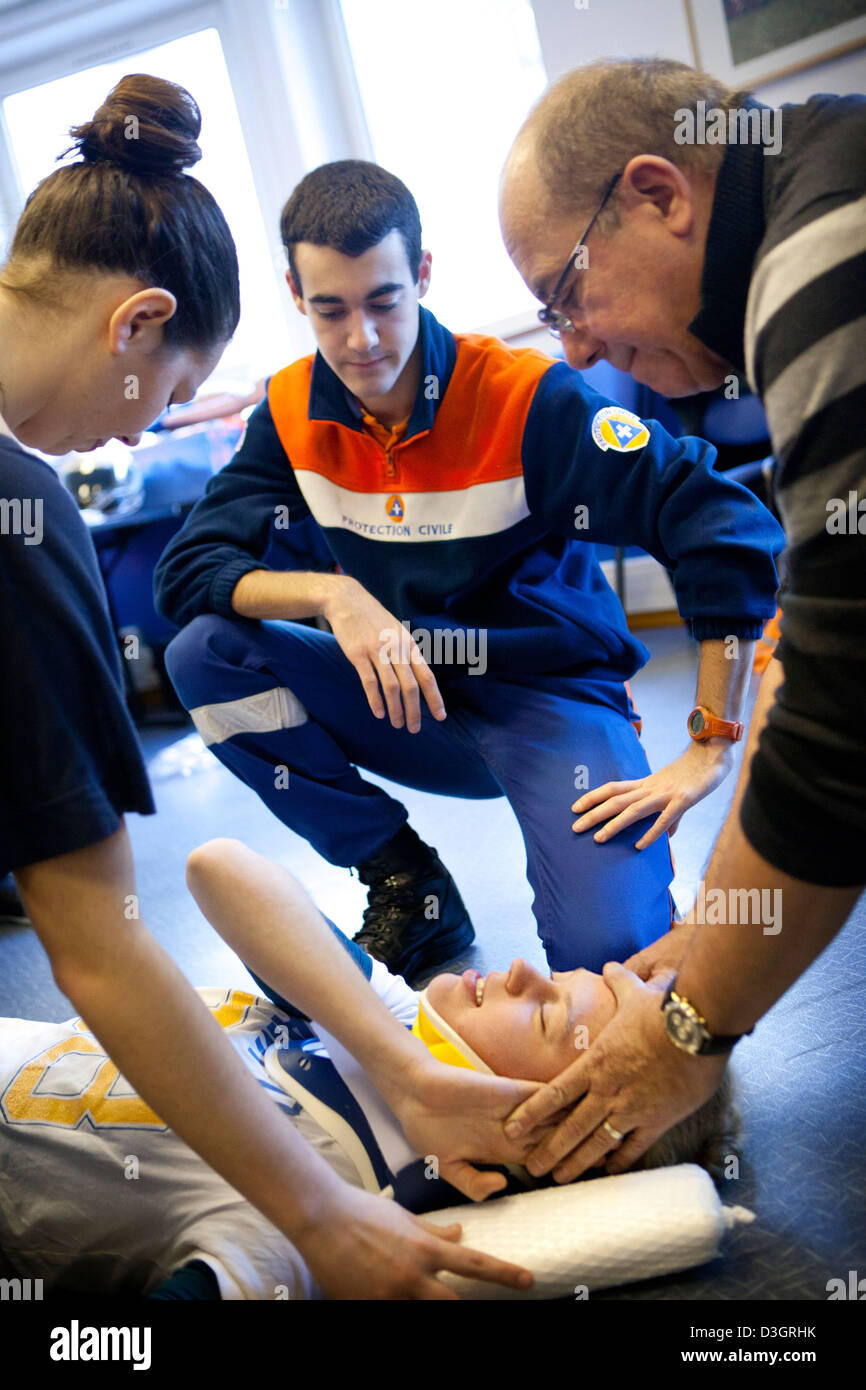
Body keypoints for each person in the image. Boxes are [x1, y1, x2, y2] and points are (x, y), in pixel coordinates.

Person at [0, 73, 538, 1301]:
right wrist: (316, 1215)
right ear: (136, 321)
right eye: (172, 393)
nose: (143, 435)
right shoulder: (22, 515)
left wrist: (391, 1066)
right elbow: (93, 942)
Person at [153, 158, 784, 983]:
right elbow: (188, 570)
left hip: (553, 704)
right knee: (206, 654)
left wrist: (713, 740)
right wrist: (332, 593)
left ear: (420, 275)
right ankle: (405, 883)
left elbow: (720, 518)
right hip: (406, 696)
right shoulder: (290, 408)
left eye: (383, 301)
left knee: (608, 976)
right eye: (332, 310)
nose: (362, 340)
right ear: (297, 296)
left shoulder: (527, 397)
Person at [497, 57, 866, 1180]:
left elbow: (843, 730)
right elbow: (807, 649)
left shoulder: (820, 271)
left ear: (659, 195)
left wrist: (690, 1029)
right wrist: (712, 931)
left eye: (567, 295)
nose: (572, 346)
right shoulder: (814, 188)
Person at [0, 837, 737, 1300]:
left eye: (546, 1015)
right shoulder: (387, 1026)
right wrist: (405, 1072)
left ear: (545, 1133)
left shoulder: (319, 1219)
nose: (518, 970)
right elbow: (220, 869)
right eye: (555, 974)